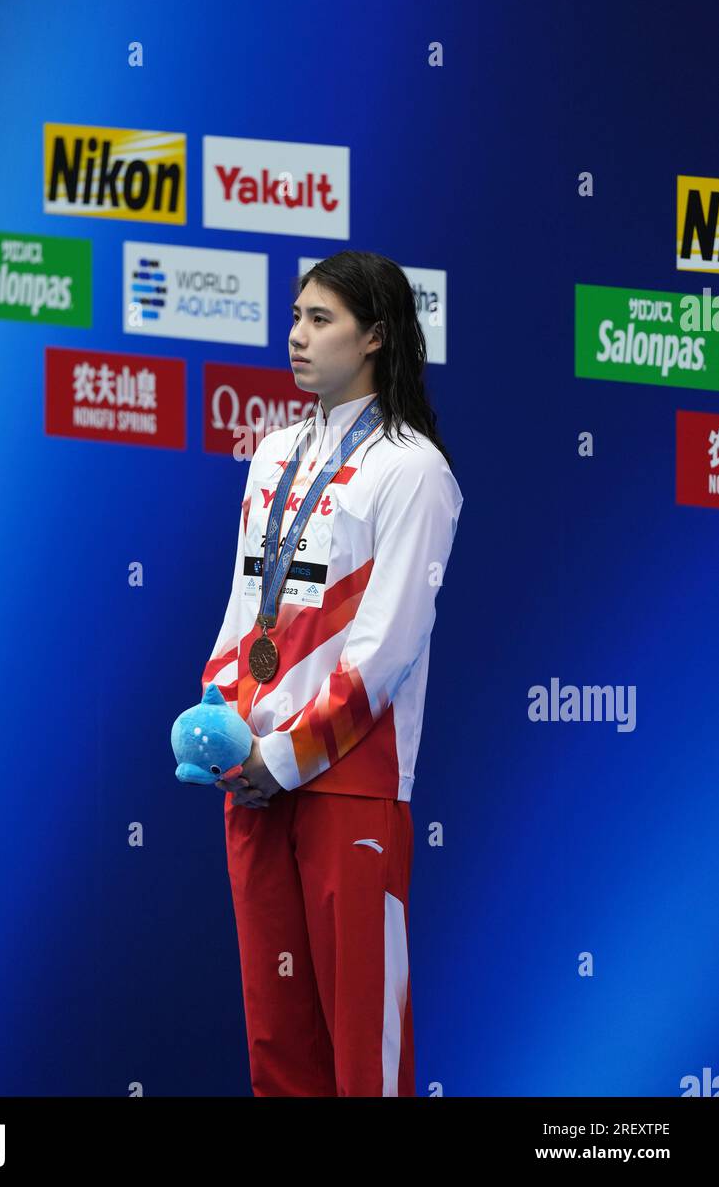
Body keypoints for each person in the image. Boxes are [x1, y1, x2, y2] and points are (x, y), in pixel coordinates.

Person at [200, 249, 464, 1097]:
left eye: (322, 320)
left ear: (377, 336)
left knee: (362, 1046)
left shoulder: (413, 469)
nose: (297, 336)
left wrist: (279, 760)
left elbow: (385, 649)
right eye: (295, 318)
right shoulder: (273, 453)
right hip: (252, 774)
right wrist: (219, 718)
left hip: (349, 780)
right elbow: (246, 608)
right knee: (276, 1038)